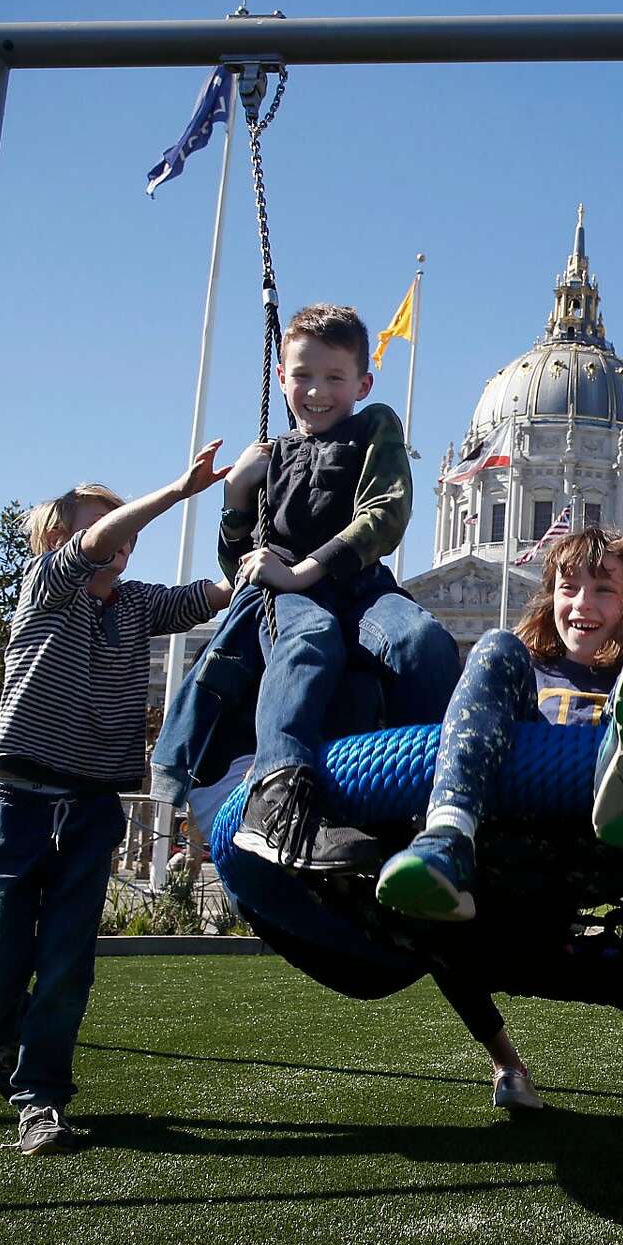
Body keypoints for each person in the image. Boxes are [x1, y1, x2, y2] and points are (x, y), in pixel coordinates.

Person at [0, 454, 234, 1155]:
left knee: (65, 966)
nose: (118, 541)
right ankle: (6, 1035)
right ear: (60, 542)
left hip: (87, 809)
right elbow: (87, 548)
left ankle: (40, 1100)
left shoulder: (137, 604)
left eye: (122, 532)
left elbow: (216, 594)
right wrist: (179, 490)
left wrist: (262, 525)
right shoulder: (47, 586)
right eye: (100, 530)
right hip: (14, 805)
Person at [178, 303, 458, 868]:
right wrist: (235, 499)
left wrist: (306, 568)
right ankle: (279, 796)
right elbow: (240, 570)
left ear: (363, 382)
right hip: (293, 601)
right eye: (302, 376)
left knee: (421, 640)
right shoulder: (268, 457)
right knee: (310, 641)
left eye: (334, 378)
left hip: (359, 587)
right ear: (281, 378)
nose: (316, 391)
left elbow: (385, 512)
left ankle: (437, 797)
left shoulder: (373, 425)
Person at [375, 526, 623, 922]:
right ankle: (448, 836)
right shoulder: (521, 675)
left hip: (607, 849)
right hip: (514, 836)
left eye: (603, 589)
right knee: (497, 645)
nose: (582, 603)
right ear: (551, 597)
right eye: (569, 587)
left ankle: (620, 780)